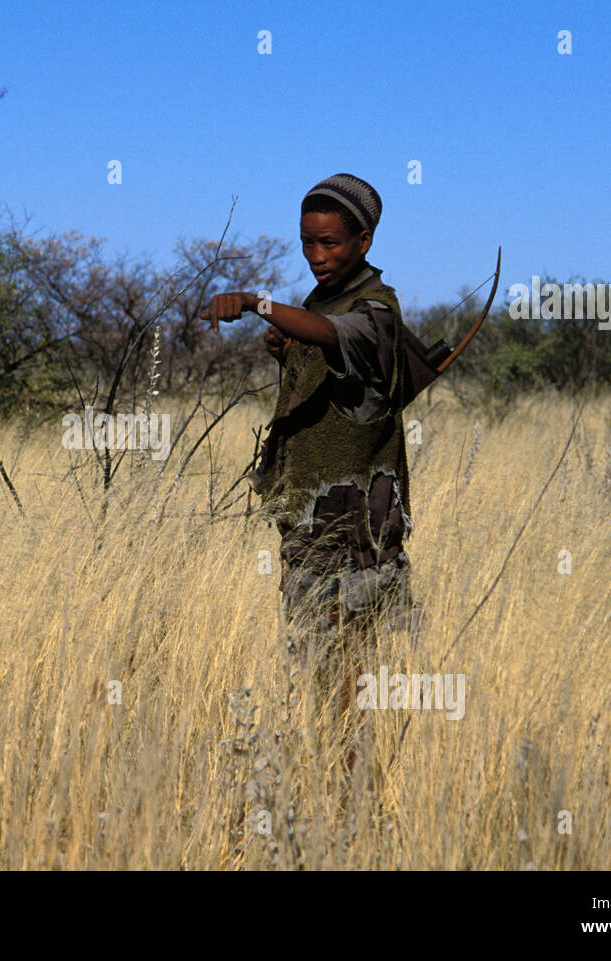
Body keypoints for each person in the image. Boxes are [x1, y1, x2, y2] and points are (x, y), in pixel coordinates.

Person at [200, 172, 424, 776]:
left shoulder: (376, 309)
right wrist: (285, 351)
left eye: (331, 243)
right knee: (320, 659)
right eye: (307, 243)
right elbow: (320, 351)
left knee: (347, 658)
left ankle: (356, 791)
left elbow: (335, 337)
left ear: (365, 242)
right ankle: (337, 782)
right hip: (312, 518)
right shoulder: (320, 306)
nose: (318, 256)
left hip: (355, 525)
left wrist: (255, 303)